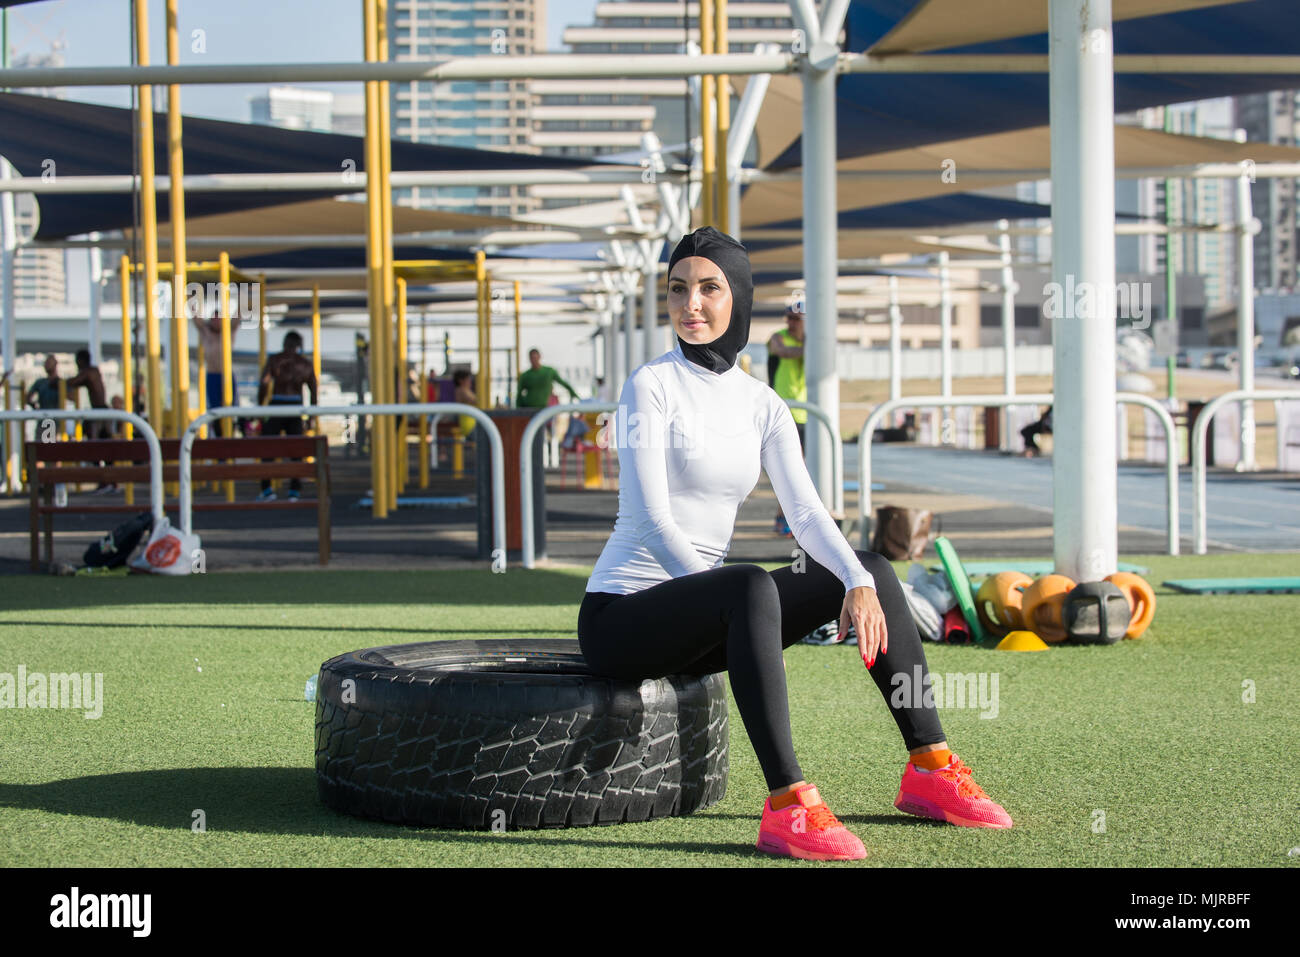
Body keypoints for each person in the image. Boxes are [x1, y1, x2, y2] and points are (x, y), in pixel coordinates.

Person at [578, 226, 1012, 862]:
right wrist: (716, 591)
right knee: (748, 583)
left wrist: (856, 584)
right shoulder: (651, 385)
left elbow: (806, 513)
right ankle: (787, 805)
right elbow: (647, 520)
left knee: (868, 568)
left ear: (740, 299)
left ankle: (930, 764)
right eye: (677, 290)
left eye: (708, 288)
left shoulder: (762, 404)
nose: (690, 304)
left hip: (705, 615)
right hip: (624, 617)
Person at [256, 331, 318, 501]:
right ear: (300, 346)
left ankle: (267, 489)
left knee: (268, 449)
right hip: (295, 407)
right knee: (296, 451)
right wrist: (311, 418)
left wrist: (260, 409)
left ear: (284, 343)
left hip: (276, 405)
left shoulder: (275, 360)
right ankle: (294, 490)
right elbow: (314, 392)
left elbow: (264, 384)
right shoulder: (305, 364)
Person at [767, 307, 807, 536]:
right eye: (789, 318)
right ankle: (784, 519)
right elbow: (785, 352)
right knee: (789, 470)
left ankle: (791, 518)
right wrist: (809, 347)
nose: (791, 322)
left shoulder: (812, 341)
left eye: (796, 319)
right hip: (785, 413)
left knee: (804, 472)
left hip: (809, 415)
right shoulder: (778, 337)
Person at [67, 349, 116, 492]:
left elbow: (73, 382)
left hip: (97, 411)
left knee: (96, 445)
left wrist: (59, 382)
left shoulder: (89, 372)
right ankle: (108, 481)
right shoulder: (93, 372)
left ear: (80, 360)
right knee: (103, 445)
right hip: (101, 411)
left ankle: (106, 481)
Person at [192, 308, 236, 413]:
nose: (216, 322)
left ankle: (233, 427)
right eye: (214, 319)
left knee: (232, 408)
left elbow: (237, 317)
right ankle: (217, 428)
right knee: (215, 410)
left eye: (219, 319)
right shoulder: (206, 331)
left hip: (227, 375)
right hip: (212, 375)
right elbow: (195, 314)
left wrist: (243, 295)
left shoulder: (229, 331)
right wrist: (189, 295)